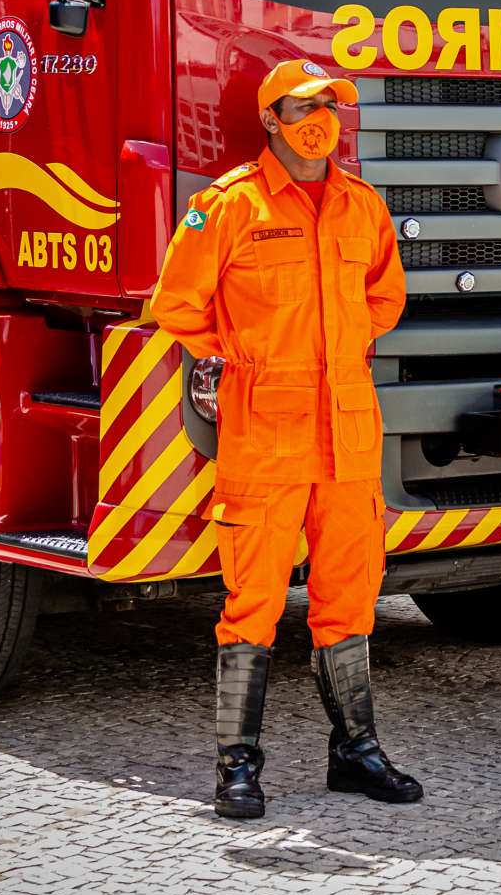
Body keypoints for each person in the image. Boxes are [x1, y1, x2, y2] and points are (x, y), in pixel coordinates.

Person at [150, 56, 421, 819]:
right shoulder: (227, 206)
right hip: (265, 436)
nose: (321, 118)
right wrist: (247, 360)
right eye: (304, 105)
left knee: (349, 600)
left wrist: (333, 357)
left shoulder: (360, 205)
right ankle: (237, 766)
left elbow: (385, 295)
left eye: (331, 104)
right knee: (254, 603)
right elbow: (177, 305)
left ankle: (356, 754)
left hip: (347, 435)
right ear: (270, 119)